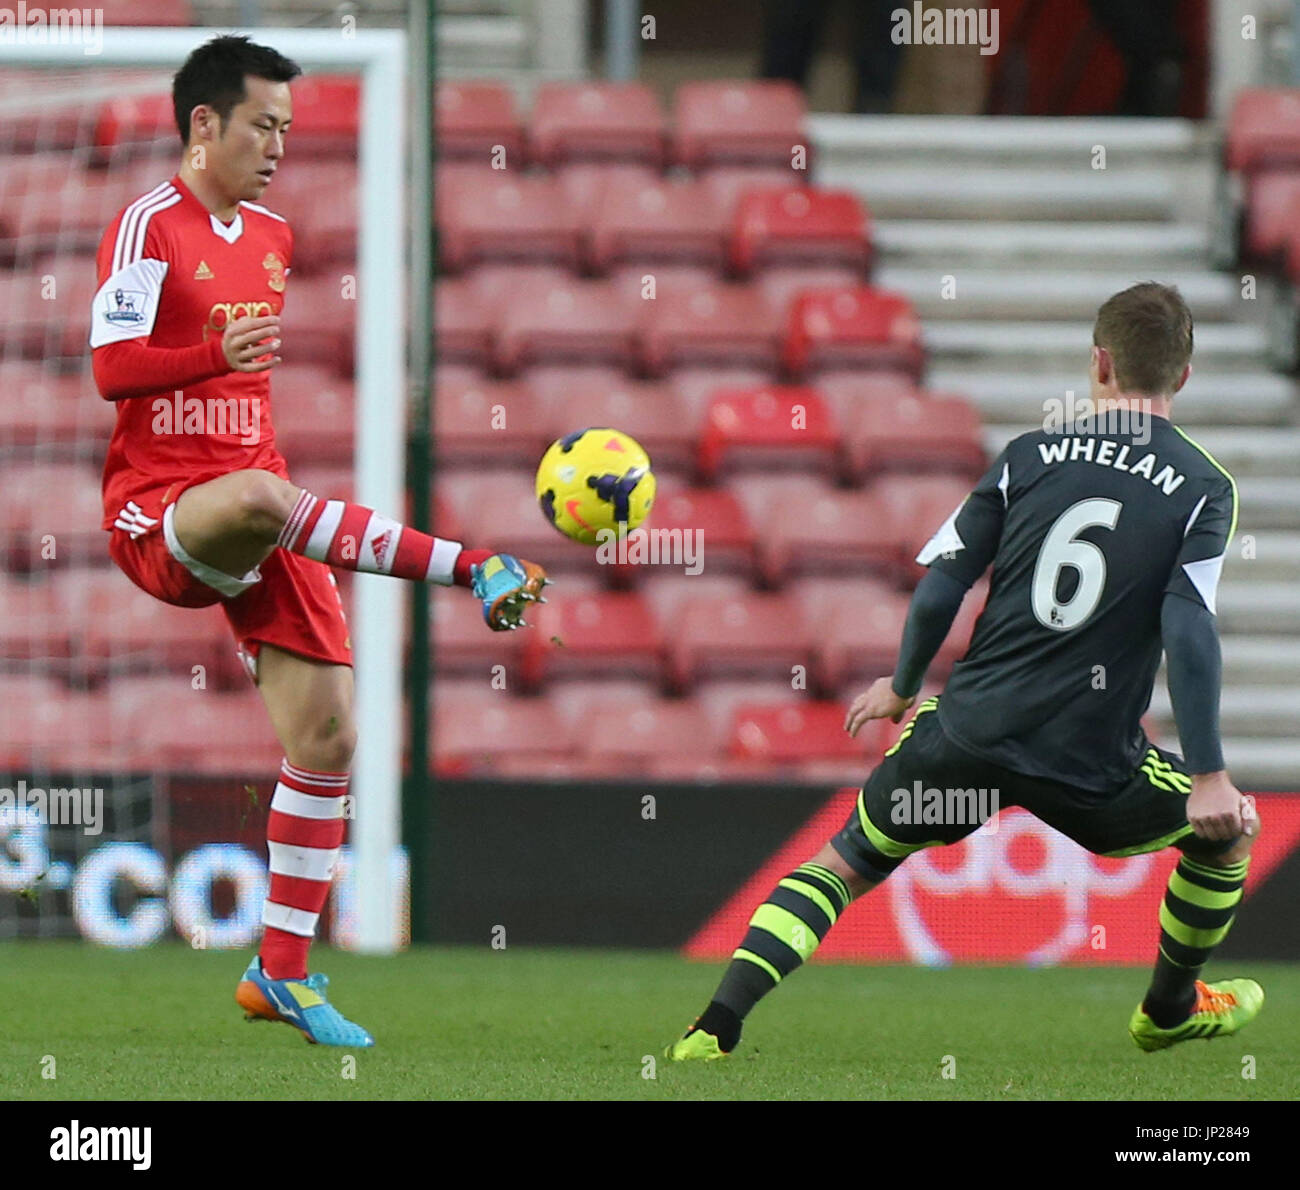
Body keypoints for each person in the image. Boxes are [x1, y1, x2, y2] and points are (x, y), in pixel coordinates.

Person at [667, 281, 1262, 1060]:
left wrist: (904, 685)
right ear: (1182, 375)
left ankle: (715, 1026)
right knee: (1228, 836)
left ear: (1100, 362)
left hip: (967, 736)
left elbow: (944, 581)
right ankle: (1170, 1007)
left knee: (842, 864)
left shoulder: (1029, 456)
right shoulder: (1202, 485)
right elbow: (1187, 627)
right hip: (1089, 762)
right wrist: (1210, 773)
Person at [90, 34, 547, 1048]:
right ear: (203, 123)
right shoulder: (146, 228)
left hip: (258, 498)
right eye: (263, 125)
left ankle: (280, 972)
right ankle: (467, 564)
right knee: (259, 492)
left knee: (329, 735)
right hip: (162, 511)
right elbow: (113, 370)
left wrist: (231, 390)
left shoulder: (271, 237)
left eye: (288, 130)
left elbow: (242, 401)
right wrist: (210, 349)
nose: (278, 147)